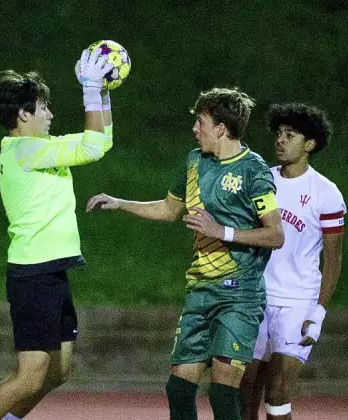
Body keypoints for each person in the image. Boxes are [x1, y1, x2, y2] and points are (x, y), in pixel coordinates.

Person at [86, 87, 284, 420]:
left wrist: (222, 232)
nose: (194, 129)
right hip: (200, 292)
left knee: (222, 392)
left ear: (220, 128)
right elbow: (168, 210)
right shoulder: (194, 161)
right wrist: (120, 203)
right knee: (178, 388)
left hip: (240, 296)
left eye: (200, 122)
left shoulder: (254, 170)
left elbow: (276, 235)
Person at [0, 48, 116, 420]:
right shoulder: (24, 150)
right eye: (43, 108)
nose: (50, 114)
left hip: (51, 271)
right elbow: (92, 146)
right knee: (30, 376)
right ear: (23, 114)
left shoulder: (38, 149)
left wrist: (102, 93)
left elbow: (100, 142)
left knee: (58, 371)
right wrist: (90, 90)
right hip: (33, 274)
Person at [239, 103, 345, 420]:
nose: (280, 140)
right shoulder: (262, 181)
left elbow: (333, 259)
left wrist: (320, 311)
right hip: (256, 297)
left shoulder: (326, 193)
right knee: (245, 390)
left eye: (290, 135)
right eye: (279, 134)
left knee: (277, 393)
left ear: (309, 144)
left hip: (298, 301)